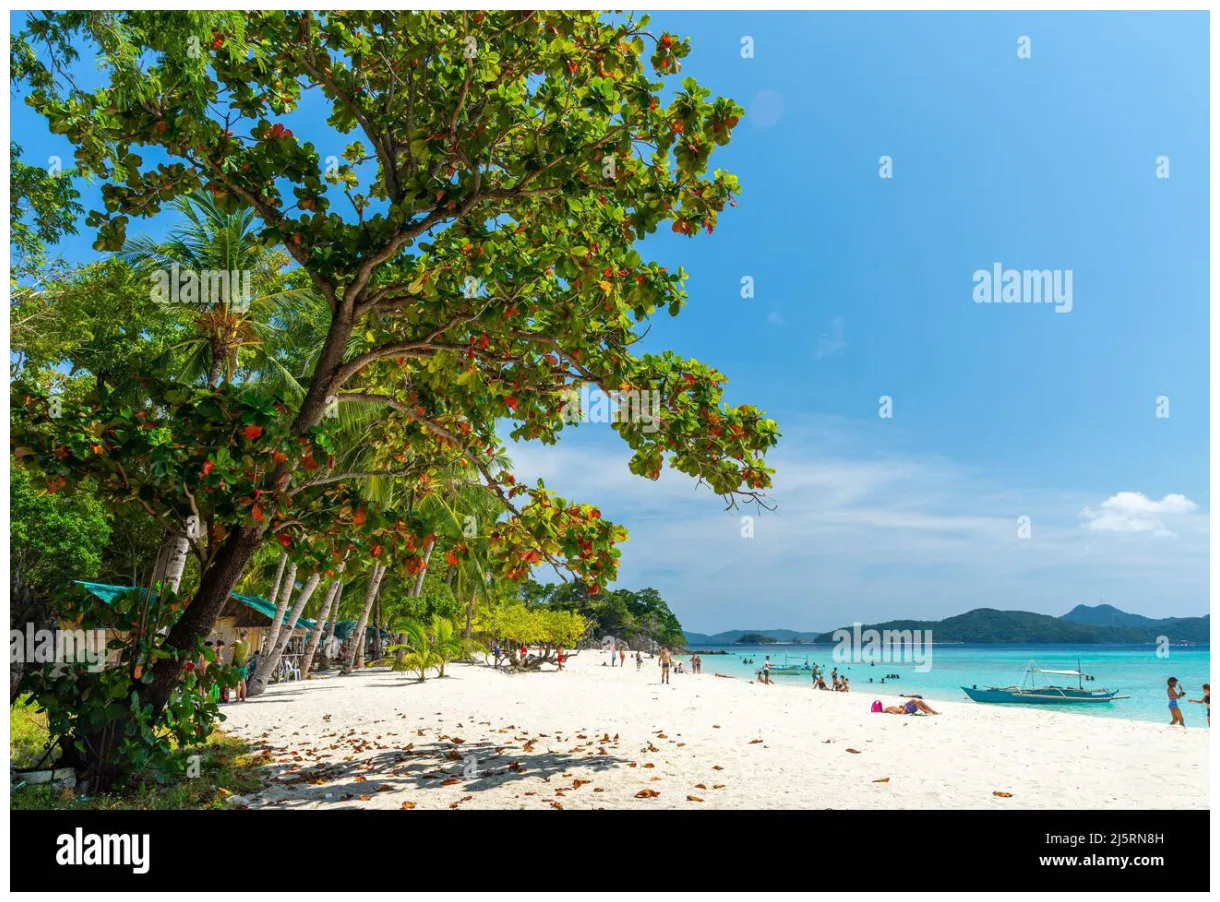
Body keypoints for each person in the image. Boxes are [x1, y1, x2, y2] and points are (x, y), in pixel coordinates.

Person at [231, 630, 251, 702]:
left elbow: (229, 647)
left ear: (240, 636)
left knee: (237, 682)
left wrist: (235, 647)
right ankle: (243, 698)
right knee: (243, 682)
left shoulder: (237, 642)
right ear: (246, 636)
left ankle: (237, 699)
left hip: (236, 665)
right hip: (244, 665)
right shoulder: (248, 644)